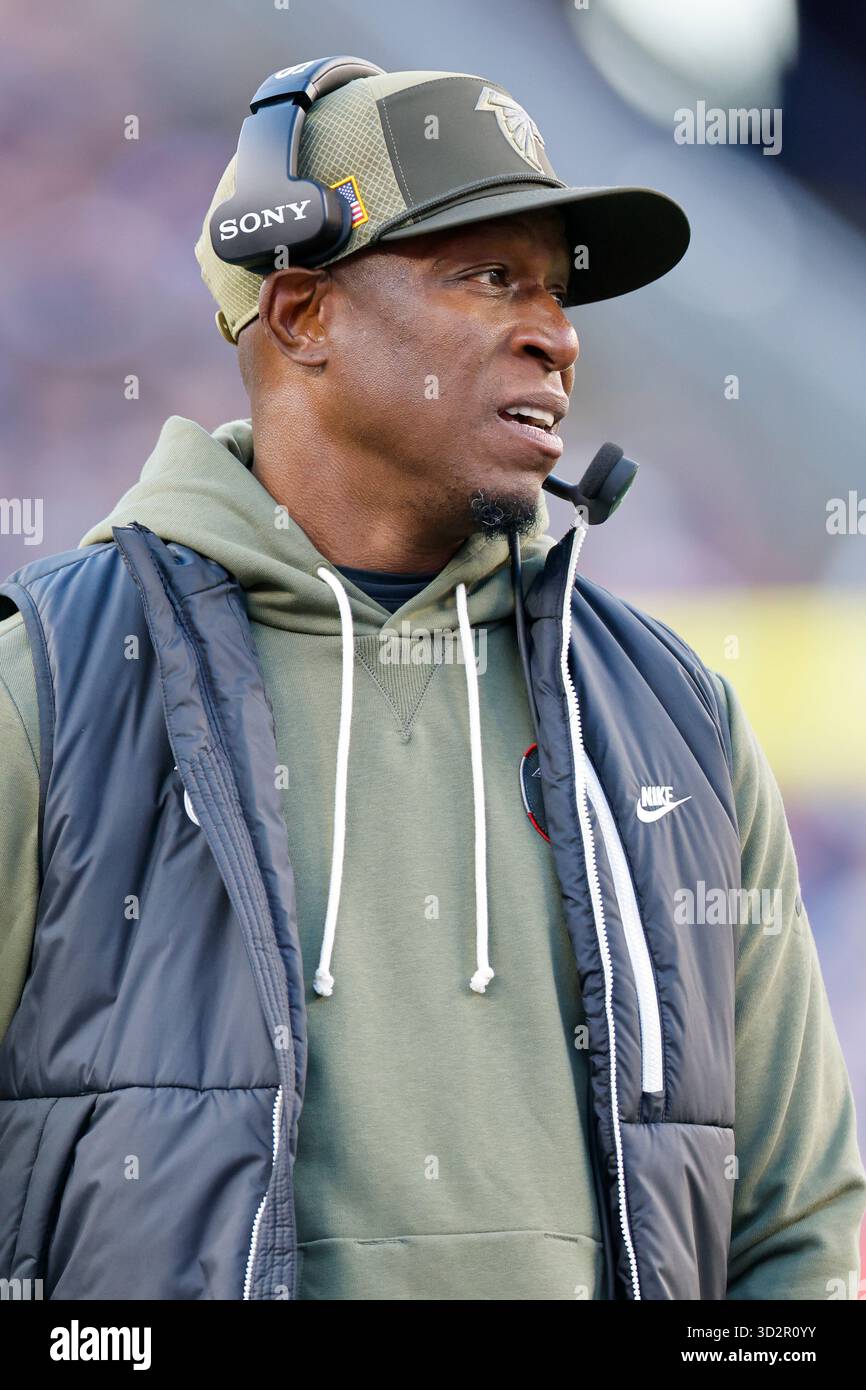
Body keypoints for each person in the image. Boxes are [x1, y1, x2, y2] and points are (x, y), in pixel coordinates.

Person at [0, 62, 863, 1303]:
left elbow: (794, 1226)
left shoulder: (679, 720)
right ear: (300, 314)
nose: (554, 333)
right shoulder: (47, 688)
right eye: (487, 276)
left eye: (558, 293)